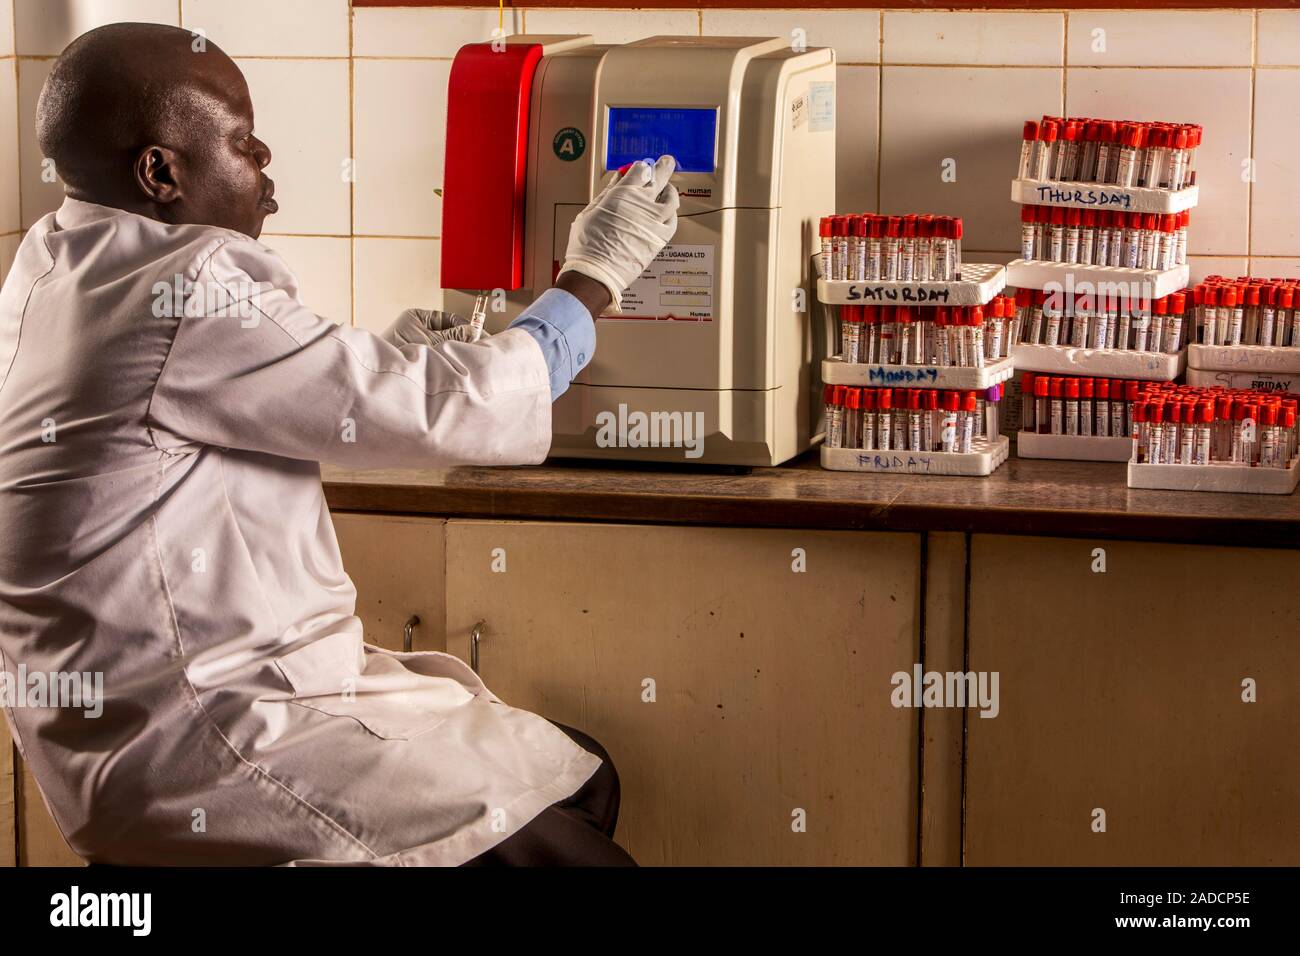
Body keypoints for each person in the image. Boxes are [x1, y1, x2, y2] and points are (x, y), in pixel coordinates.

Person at [0, 22, 678, 866]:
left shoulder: (56, 259)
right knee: (571, 853)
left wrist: (396, 359)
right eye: (243, 141)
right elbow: (444, 414)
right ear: (161, 172)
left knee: (581, 775)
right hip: (217, 741)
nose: (266, 161)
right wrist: (592, 279)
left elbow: (245, 394)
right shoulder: (187, 283)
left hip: (123, 743)